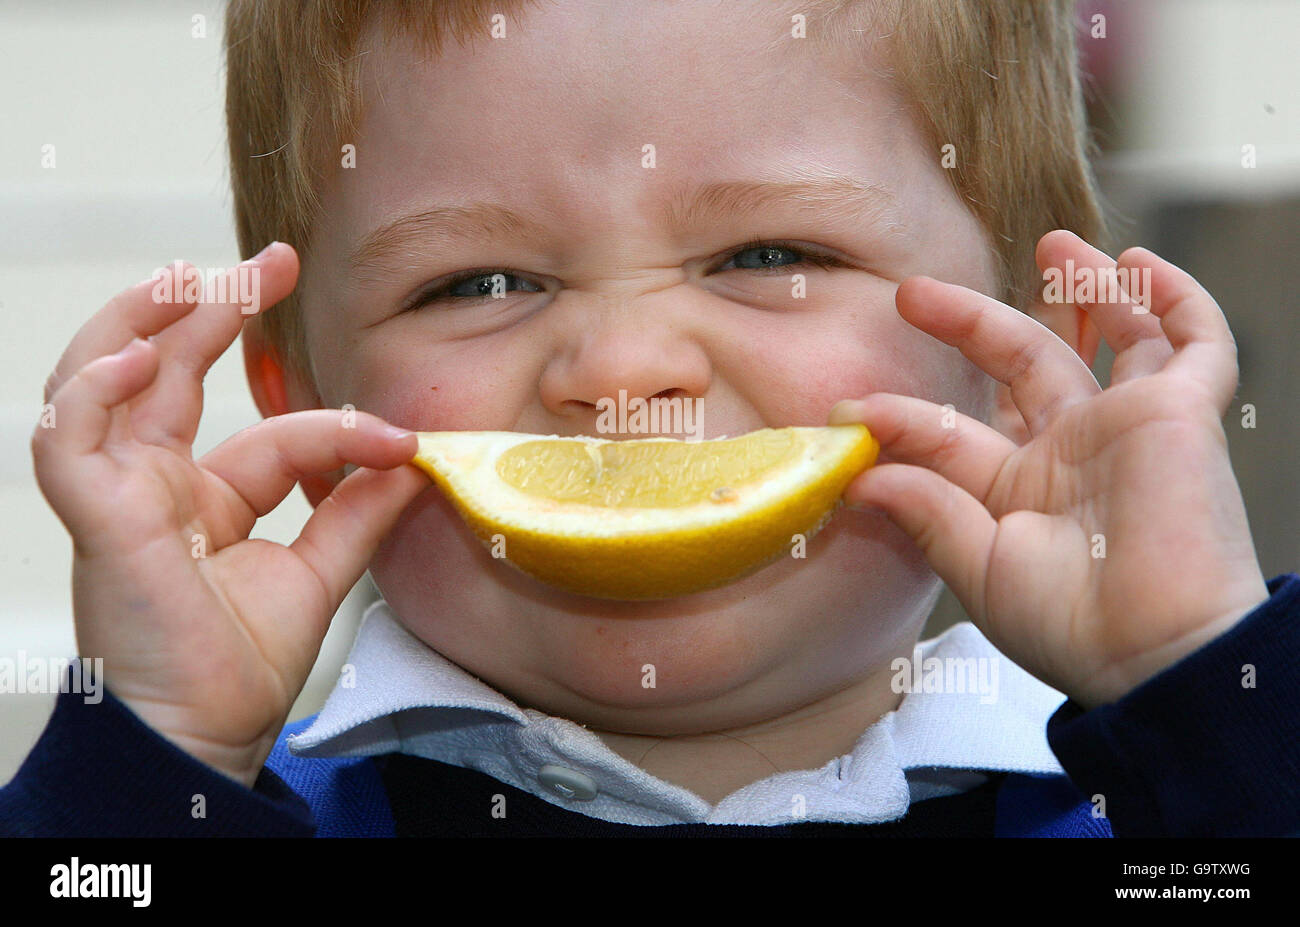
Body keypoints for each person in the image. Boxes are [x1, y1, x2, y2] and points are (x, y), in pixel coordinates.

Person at [5, 0, 1297, 836]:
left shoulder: (1168, 818)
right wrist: (154, 746)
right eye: (480, 283)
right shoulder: (223, 817)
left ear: (1024, 351)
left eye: (767, 254)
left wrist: (1199, 676)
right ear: (302, 398)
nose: (621, 369)